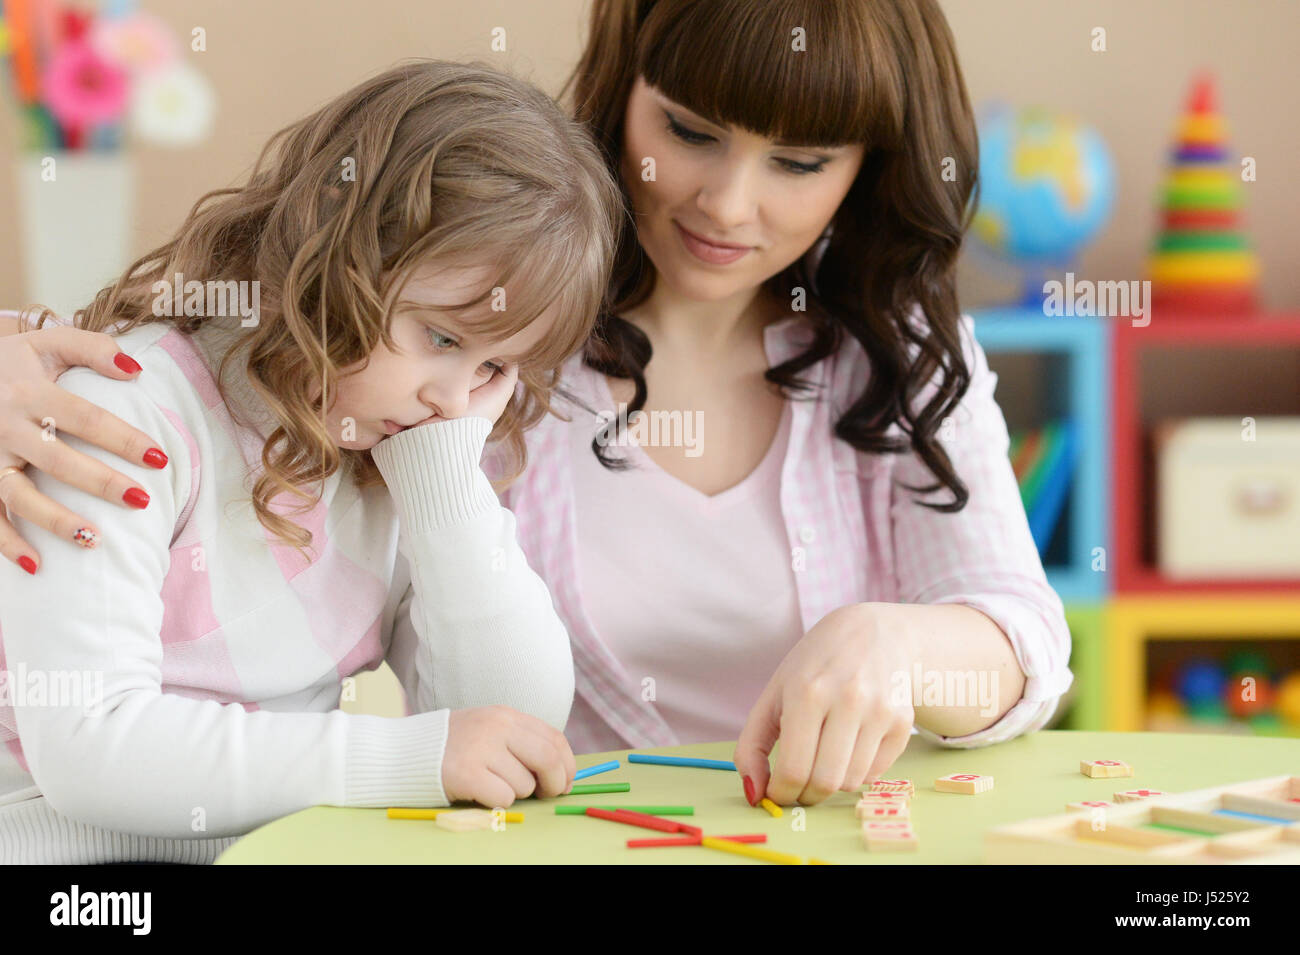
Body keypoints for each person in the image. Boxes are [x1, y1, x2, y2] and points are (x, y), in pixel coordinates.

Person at [0, 0, 1072, 811]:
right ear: (625, 88)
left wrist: (898, 644)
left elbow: (1026, 639)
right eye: (691, 131)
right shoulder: (486, 328)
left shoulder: (887, 355)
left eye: (798, 160)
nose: (729, 205)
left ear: (863, 171)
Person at [0, 59, 622, 863]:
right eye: (441, 338)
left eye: (496, 369)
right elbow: (93, 746)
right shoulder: (127, 412)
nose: (456, 399)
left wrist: (446, 486)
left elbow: (512, 721)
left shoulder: (396, 445)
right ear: (337, 247)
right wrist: (401, 759)